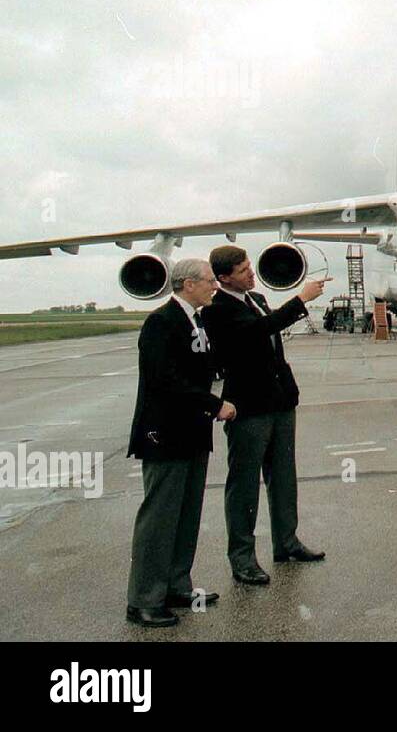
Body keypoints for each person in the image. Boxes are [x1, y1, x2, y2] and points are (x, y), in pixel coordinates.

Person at [204, 245, 327, 586]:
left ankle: (286, 542)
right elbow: (257, 333)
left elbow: (271, 337)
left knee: (284, 476)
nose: (251, 274)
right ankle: (242, 558)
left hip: (280, 402)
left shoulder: (255, 299)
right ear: (224, 277)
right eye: (244, 271)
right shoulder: (217, 309)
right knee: (244, 486)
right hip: (248, 408)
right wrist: (301, 300)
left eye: (249, 267)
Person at [126, 259, 236, 628]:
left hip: (191, 433)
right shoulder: (161, 322)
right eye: (208, 281)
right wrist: (214, 404)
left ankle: (175, 586)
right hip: (165, 435)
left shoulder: (197, 320)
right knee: (159, 518)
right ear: (188, 284)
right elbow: (165, 380)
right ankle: (143, 599)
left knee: (186, 514)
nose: (214, 287)